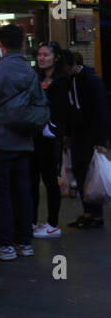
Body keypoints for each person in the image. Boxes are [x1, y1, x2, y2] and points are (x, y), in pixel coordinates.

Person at [0, 24, 44, 261]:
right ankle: (24, 241)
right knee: (22, 191)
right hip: (23, 142)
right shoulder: (30, 72)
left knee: (0, 193)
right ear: (23, 43)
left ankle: (3, 243)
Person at [64, 51, 108, 230]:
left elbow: (101, 110)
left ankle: (96, 214)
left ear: (72, 65)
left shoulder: (91, 80)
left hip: (89, 135)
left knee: (90, 173)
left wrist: (101, 140)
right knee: (81, 172)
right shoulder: (72, 80)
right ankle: (89, 212)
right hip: (78, 134)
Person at [30, 43, 68, 239]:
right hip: (34, 135)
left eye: (46, 55)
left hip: (50, 136)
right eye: (39, 54)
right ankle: (32, 221)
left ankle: (53, 223)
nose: (42, 58)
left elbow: (60, 108)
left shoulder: (61, 80)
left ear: (56, 58)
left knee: (50, 180)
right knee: (32, 180)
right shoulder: (35, 77)